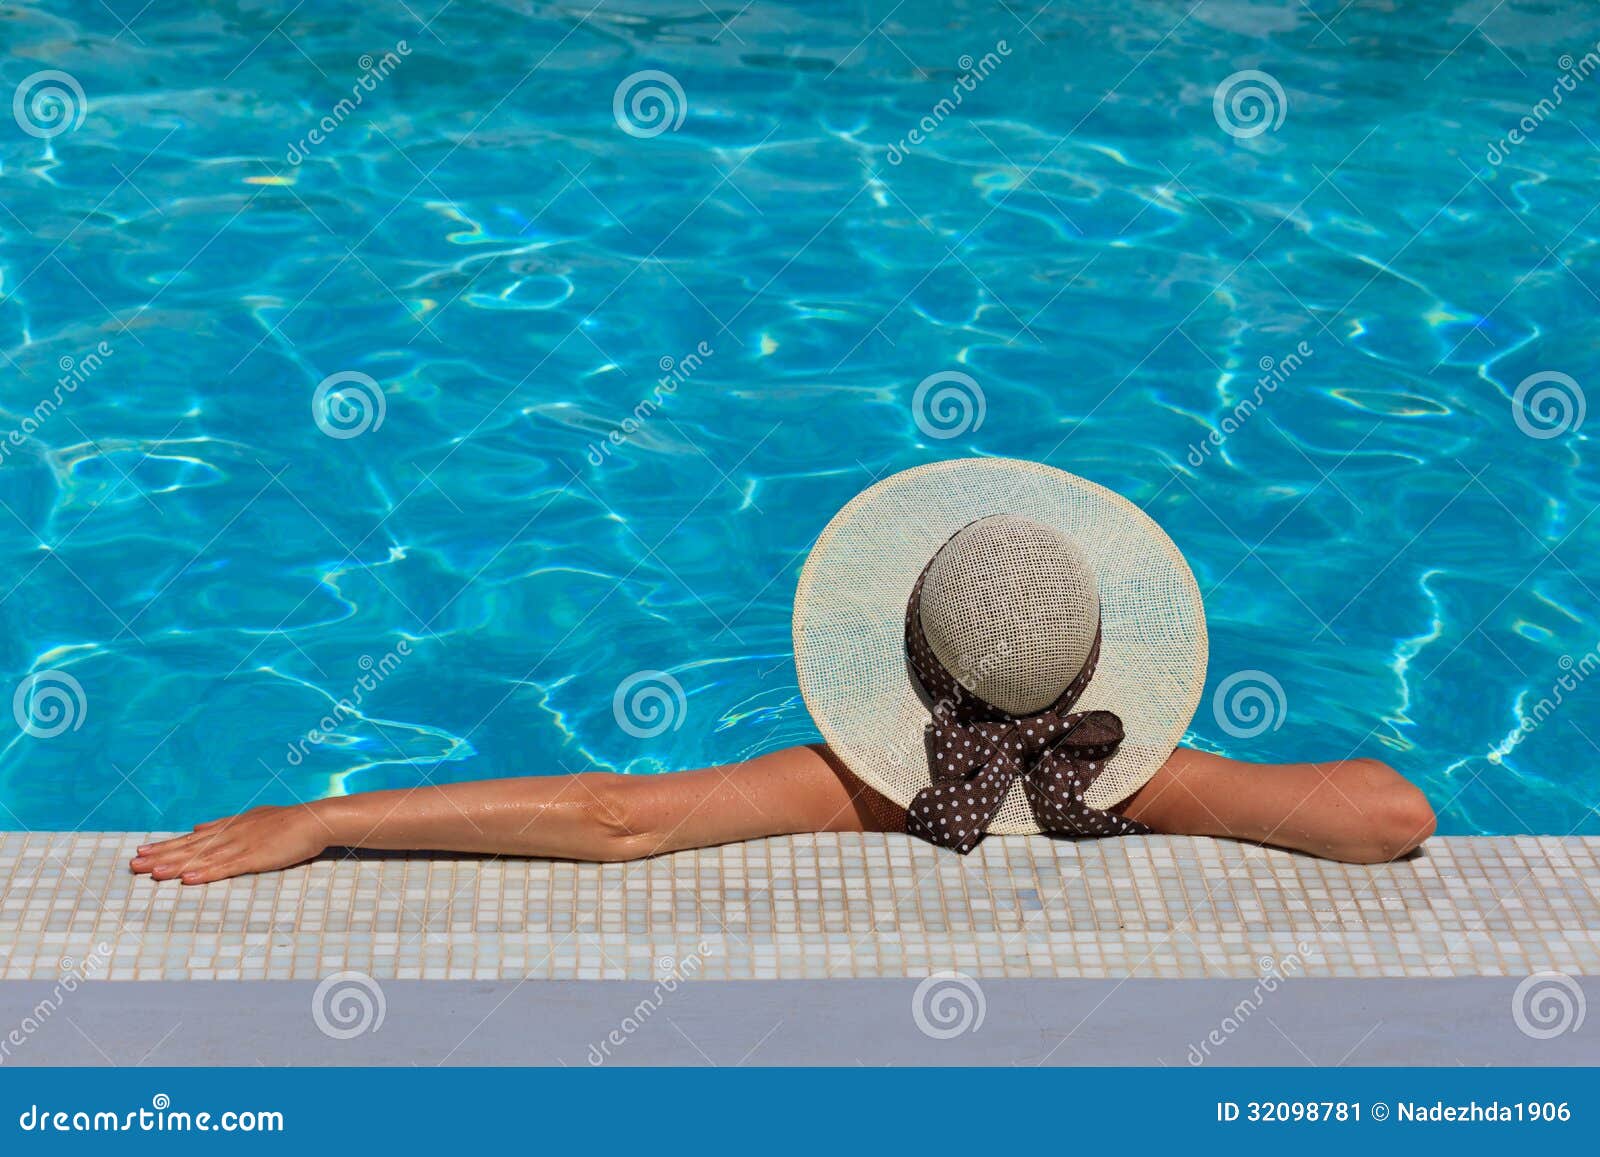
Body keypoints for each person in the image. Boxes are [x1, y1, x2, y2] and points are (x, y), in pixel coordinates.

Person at [130, 459, 1435, 885]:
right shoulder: (1142, 781)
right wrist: (1158, 777)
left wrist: (324, 820)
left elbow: (614, 815)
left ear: (903, 657)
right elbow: (1394, 815)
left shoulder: (856, 787)